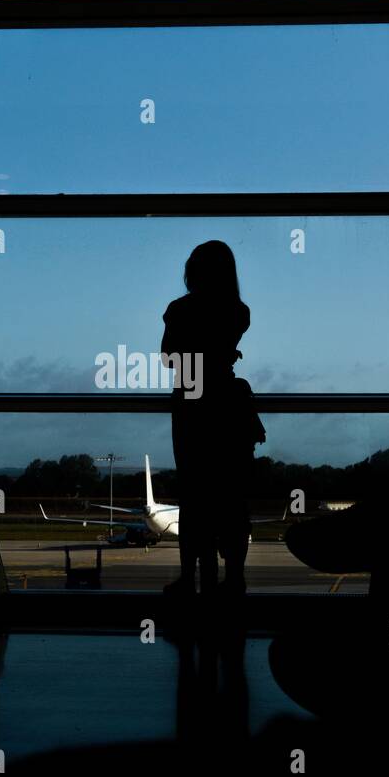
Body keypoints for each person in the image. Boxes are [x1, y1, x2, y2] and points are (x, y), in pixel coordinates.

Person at [160, 241, 264, 597]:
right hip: (227, 408)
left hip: (191, 408)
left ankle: (191, 578)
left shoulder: (179, 310)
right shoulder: (238, 312)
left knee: (194, 499)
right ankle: (234, 578)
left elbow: (169, 358)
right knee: (231, 500)